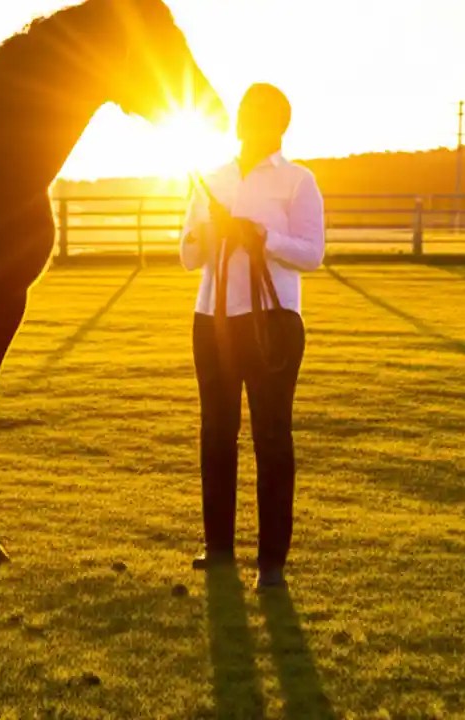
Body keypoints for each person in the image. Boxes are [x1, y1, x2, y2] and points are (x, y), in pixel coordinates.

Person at [180, 83, 325, 589]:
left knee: (271, 436)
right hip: (211, 319)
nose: (248, 123)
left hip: (272, 323)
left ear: (279, 125)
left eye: (260, 116)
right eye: (244, 113)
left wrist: (264, 238)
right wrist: (207, 235)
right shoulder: (211, 179)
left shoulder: (298, 182)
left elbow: (312, 253)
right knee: (216, 434)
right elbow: (187, 256)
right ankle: (218, 549)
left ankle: (271, 563)